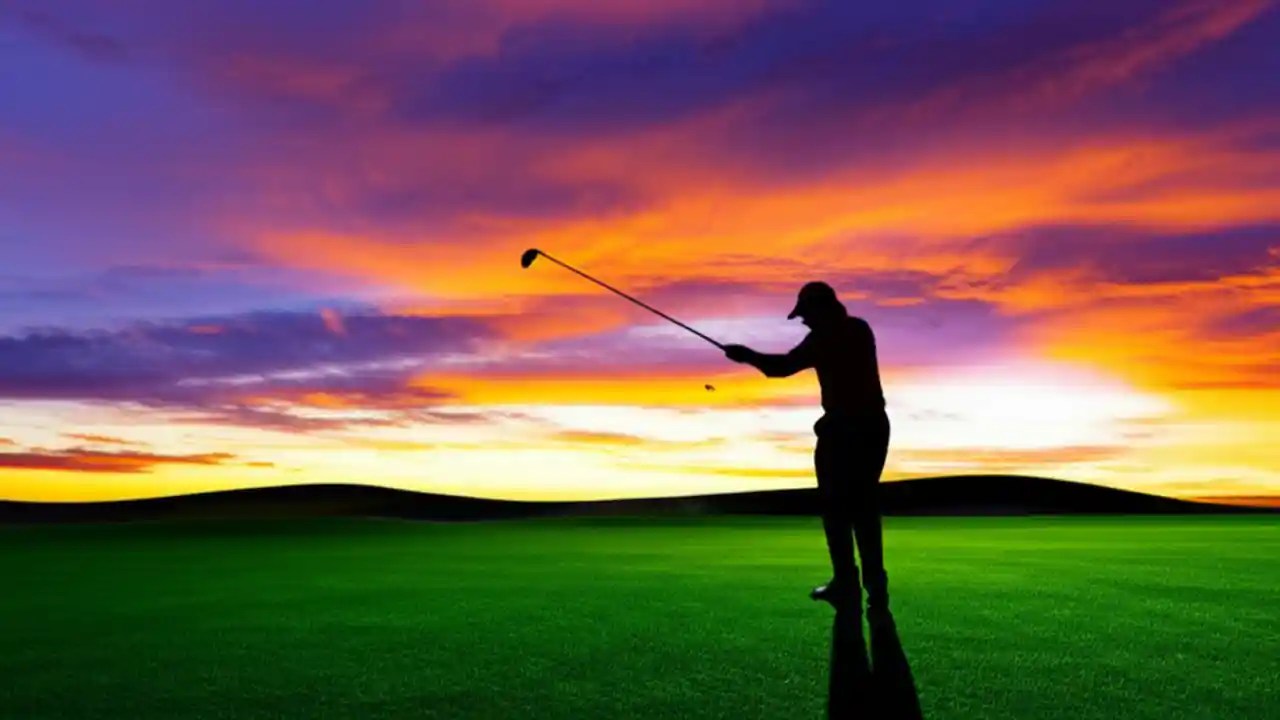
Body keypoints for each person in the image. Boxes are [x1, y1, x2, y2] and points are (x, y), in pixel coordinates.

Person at [724, 281, 891, 617]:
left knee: (838, 511)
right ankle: (873, 588)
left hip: (846, 431)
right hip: (872, 427)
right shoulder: (858, 329)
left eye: (806, 315)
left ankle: (848, 584)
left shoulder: (828, 336)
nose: (803, 321)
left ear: (820, 309)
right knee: (862, 507)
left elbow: (781, 368)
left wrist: (746, 356)